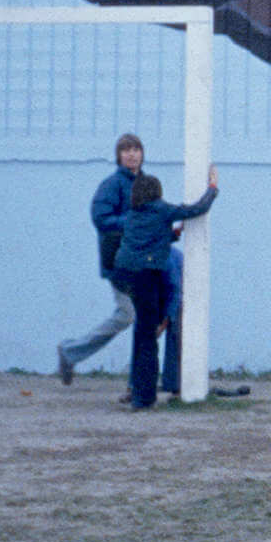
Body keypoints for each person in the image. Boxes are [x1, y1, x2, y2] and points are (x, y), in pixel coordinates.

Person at [58, 134, 179, 396]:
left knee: (147, 321)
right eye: (126, 150)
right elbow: (101, 218)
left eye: (136, 149)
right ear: (119, 155)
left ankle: (136, 384)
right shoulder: (112, 185)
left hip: (146, 265)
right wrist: (134, 222)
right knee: (129, 315)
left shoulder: (146, 184)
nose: (132, 154)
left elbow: (152, 222)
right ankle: (71, 352)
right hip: (121, 264)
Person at [110, 167, 218, 411]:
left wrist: (172, 234)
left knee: (141, 333)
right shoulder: (162, 209)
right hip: (147, 276)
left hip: (125, 276)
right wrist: (212, 189)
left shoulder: (134, 214)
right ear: (156, 193)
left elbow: (146, 239)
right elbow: (195, 210)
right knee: (149, 338)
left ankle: (136, 389)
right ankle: (143, 398)